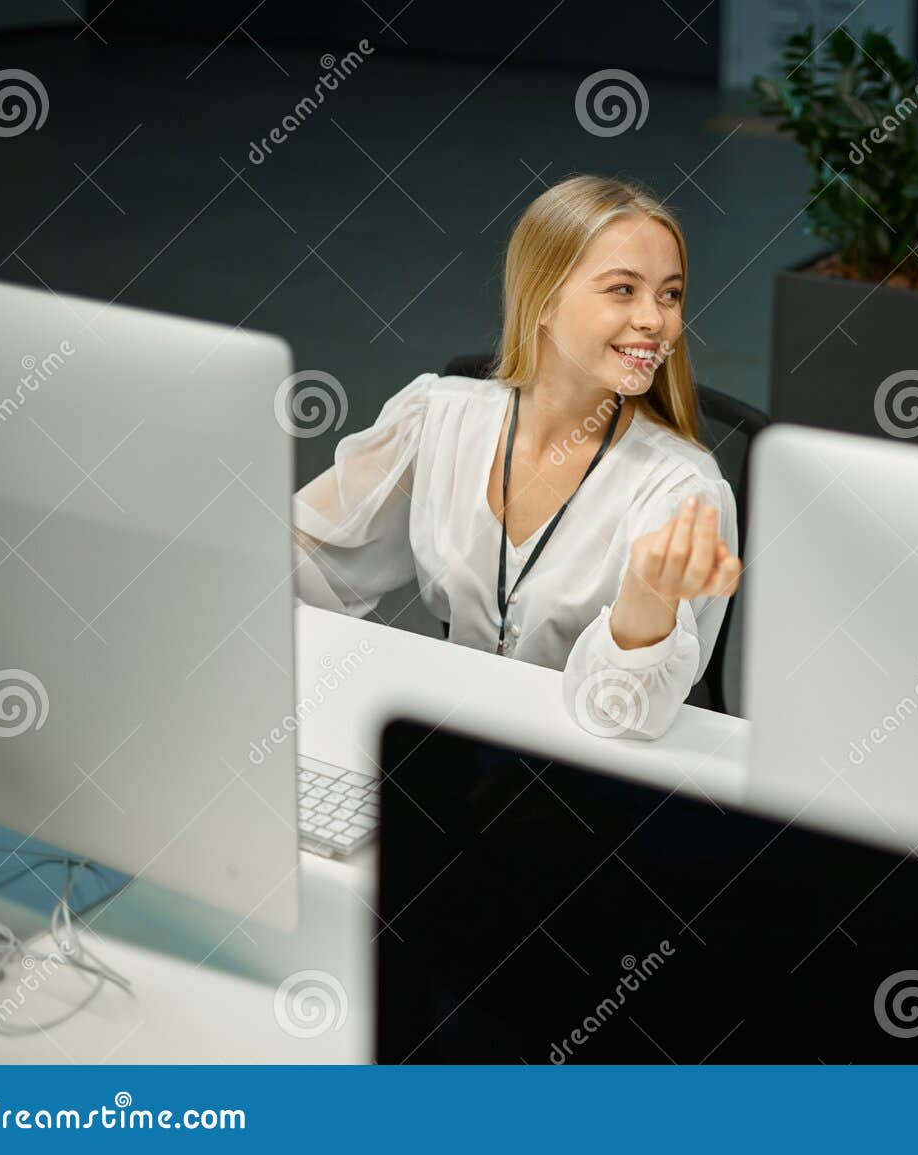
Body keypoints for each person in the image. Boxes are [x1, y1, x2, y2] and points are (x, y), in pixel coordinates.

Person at [292, 175, 742, 739]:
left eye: (670, 294)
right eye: (623, 289)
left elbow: (624, 718)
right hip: (451, 744)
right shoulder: (437, 418)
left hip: (582, 777)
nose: (657, 320)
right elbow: (299, 562)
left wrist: (647, 606)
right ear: (545, 298)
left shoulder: (680, 490)